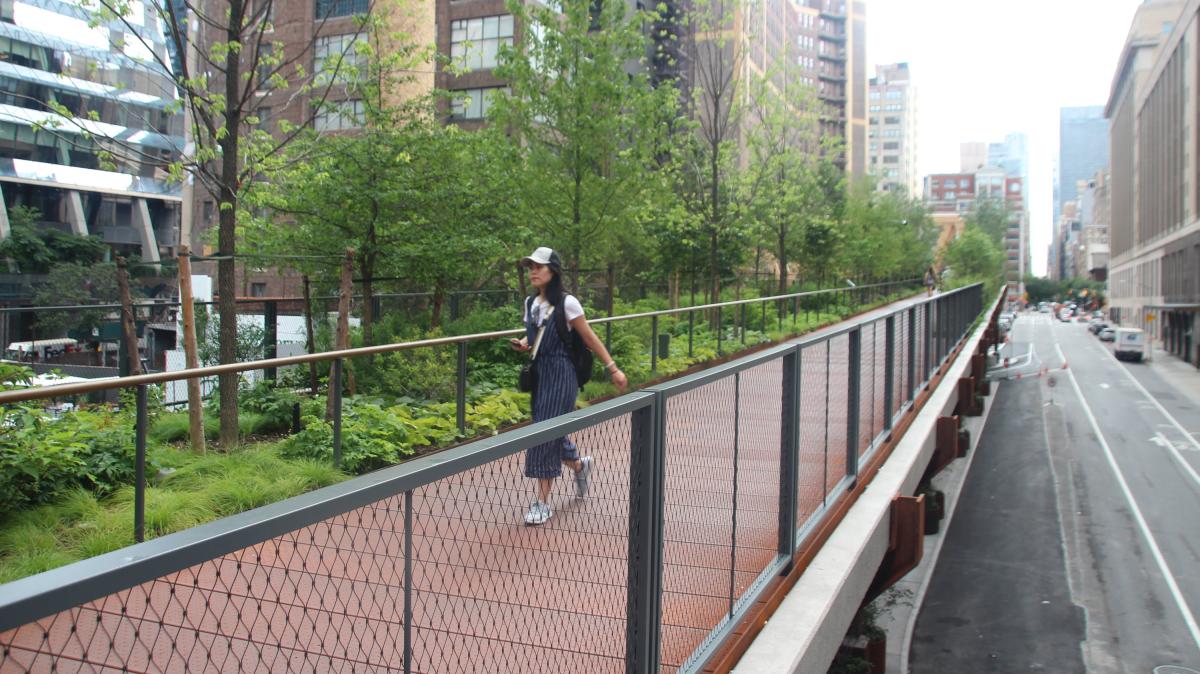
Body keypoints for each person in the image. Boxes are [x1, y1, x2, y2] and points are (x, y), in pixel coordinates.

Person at [510, 247, 628, 526]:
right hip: (540, 374)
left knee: (543, 432)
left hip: (563, 374)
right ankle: (579, 465)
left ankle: (541, 503)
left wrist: (613, 368)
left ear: (553, 270)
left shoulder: (568, 303)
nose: (534, 272)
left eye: (539, 266)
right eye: (531, 267)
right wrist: (524, 344)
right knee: (550, 430)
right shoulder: (530, 303)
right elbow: (536, 336)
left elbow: (589, 337)